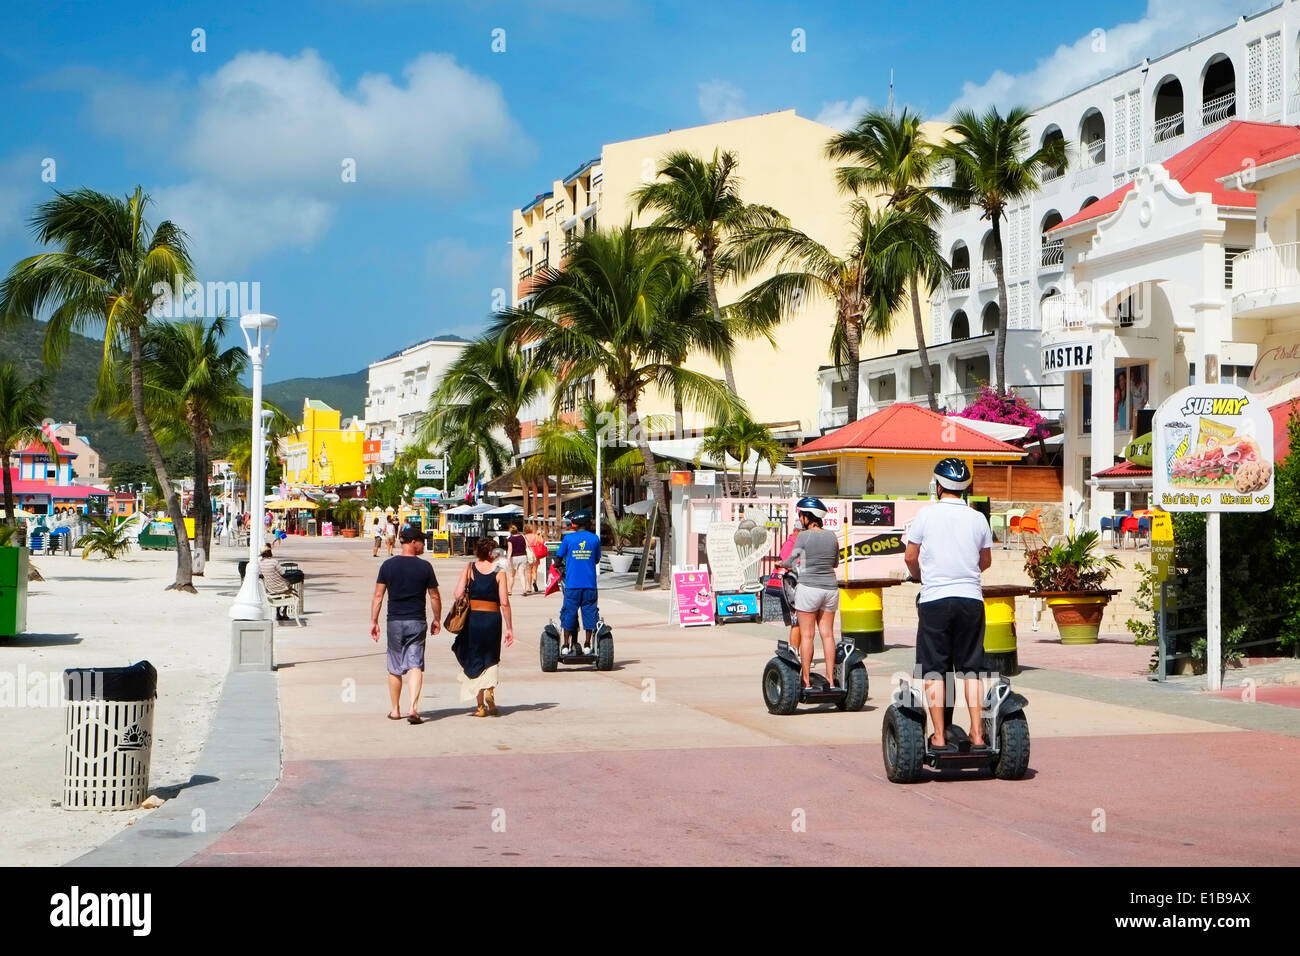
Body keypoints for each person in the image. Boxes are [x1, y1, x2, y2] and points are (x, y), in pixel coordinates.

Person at [903, 458, 993, 751]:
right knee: (971, 667)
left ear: (938, 486)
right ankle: (978, 734)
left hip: (935, 600)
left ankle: (939, 736)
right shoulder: (978, 518)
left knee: (935, 669)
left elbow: (910, 557)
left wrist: (919, 576)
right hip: (970, 599)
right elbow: (986, 561)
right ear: (965, 488)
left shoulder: (925, 516)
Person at [370, 525, 442, 724]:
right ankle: (413, 708)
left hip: (394, 621)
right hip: (416, 621)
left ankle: (395, 710)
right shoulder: (425, 567)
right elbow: (434, 595)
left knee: (394, 667)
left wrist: (374, 621)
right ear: (413, 542)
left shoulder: (387, 566)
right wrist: (437, 618)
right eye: (421, 541)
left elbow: (378, 596)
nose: (423, 545)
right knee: (415, 664)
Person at [776, 497, 840, 690]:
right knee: (828, 635)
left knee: (807, 635)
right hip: (830, 589)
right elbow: (835, 563)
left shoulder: (803, 537)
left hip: (809, 588)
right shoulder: (832, 536)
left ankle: (805, 681)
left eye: (801, 515)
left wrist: (781, 564)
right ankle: (830, 679)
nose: (800, 518)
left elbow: (791, 560)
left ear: (807, 516)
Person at [451, 536, 515, 716]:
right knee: (491, 657)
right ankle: (490, 692)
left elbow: (457, 593)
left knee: (475, 657)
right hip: (493, 619)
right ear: (490, 552)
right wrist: (509, 628)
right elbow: (504, 602)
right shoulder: (499, 572)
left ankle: (480, 707)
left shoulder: (469, 568)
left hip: (473, 619)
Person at [555, 510, 601, 655]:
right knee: (590, 613)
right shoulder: (595, 539)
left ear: (575, 524)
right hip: (590, 585)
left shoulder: (568, 539)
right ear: (588, 523)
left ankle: (566, 645)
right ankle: (587, 644)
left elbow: (557, 560)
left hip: (572, 585)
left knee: (569, 613)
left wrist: (559, 565)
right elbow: (597, 559)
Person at [506, 524, 528, 595]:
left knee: (512, 575)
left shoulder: (510, 539)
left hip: (514, 558)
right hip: (523, 556)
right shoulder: (522, 537)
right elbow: (526, 546)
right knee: (522, 574)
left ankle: (510, 591)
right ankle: (524, 589)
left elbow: (510, 549)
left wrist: (508, 558)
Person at [524, 523, 546, 594]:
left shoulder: (524, 537)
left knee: (528, 571)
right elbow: (542, 542)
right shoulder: (536, 536)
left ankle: (529, 587)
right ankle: (534, 582)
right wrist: (540, 535)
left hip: (528, 554)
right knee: (534, 571)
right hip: (536, 554)